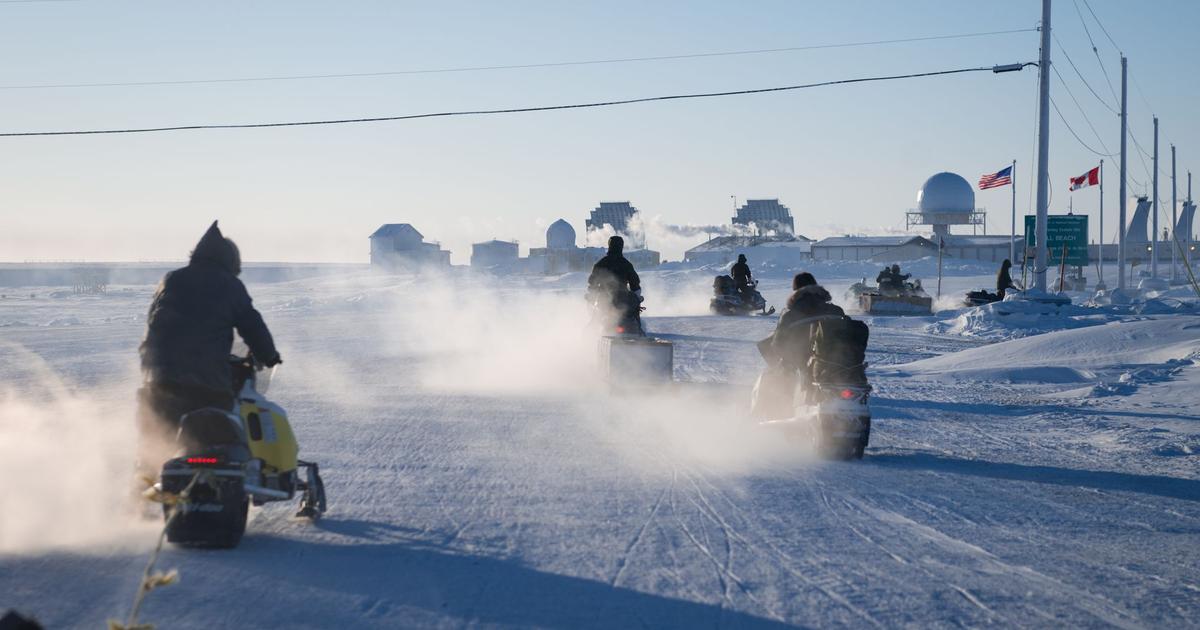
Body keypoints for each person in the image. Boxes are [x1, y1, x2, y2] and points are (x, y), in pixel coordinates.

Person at [136, 221, 281, 471]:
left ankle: (140, 501)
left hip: (157, 382)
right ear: (231, 262)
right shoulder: (229, 285)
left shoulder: (170, 280)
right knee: (225, 440)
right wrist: (268, 356)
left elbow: (152, 325)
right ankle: (228, 484)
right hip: (206, 384)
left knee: (152, 450)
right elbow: (252, 324)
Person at [761, 272, 845, 372]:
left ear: (795, 292)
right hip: (838, 364)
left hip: (803, 366)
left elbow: (778, 345)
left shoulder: (789, 316)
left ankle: (780, 385)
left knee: (773, 361)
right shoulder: (837, 311)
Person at [588, 235, 642, 330]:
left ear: (609, 246)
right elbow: (635, 285)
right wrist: (637, 296)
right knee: (635, 315)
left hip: (605, 299)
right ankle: (639, 331)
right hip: (622, 300)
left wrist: (592, 295)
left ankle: (589, 334)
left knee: (594, 320)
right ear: (621, 247)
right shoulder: (626, 264)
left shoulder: (601, 264)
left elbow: (592, 283)